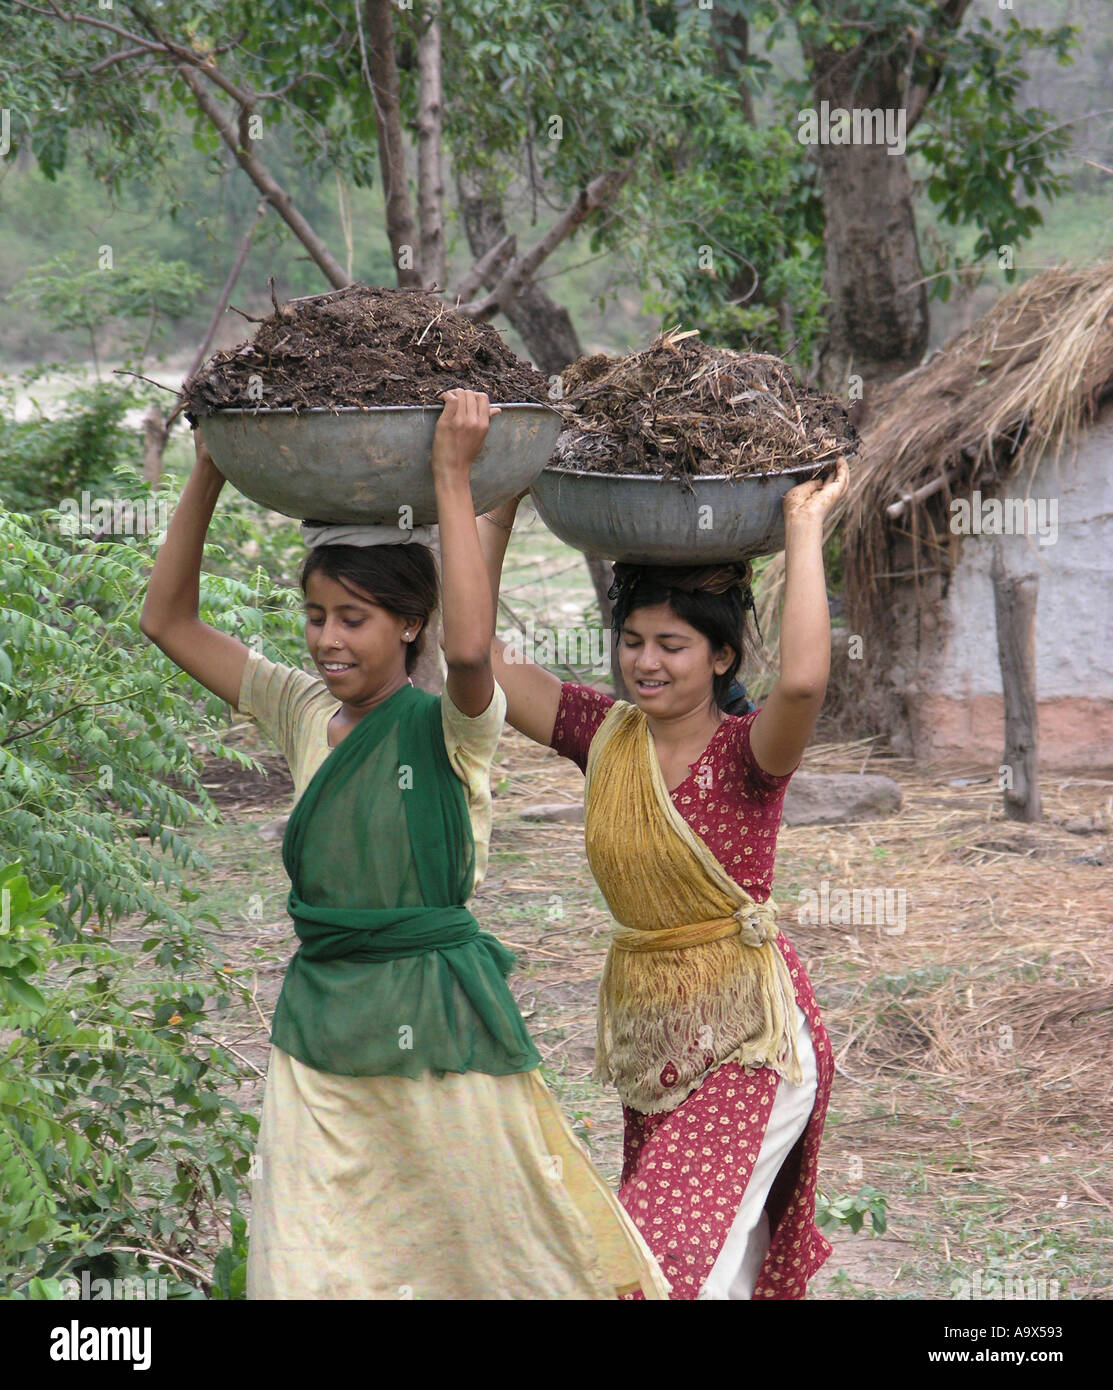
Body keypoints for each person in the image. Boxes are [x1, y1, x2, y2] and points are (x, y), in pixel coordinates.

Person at [139, 389, 669, 1300]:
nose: (327, 641)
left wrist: (451, 477)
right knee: (306, 1262)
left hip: (439, 1018)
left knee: (478, 1247)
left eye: (354, 619)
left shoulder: (453, 727)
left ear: (408, 624)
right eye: (315, 616)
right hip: (319, 1020)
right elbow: (167, 624)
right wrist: (207, 473)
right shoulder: (302, 709)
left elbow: (472, 651)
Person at [478, 456, 850, 1299]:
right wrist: (498, 503)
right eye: (633, 640)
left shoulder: (747, 757)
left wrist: (801, 524)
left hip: (748, 1044)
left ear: (721, 656)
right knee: (710, 1268)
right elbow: (472, 655)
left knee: (651, 1269)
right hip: (658, 1047)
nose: (645, 662)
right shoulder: (602, 735)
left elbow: (800, 679)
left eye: (672, 645)